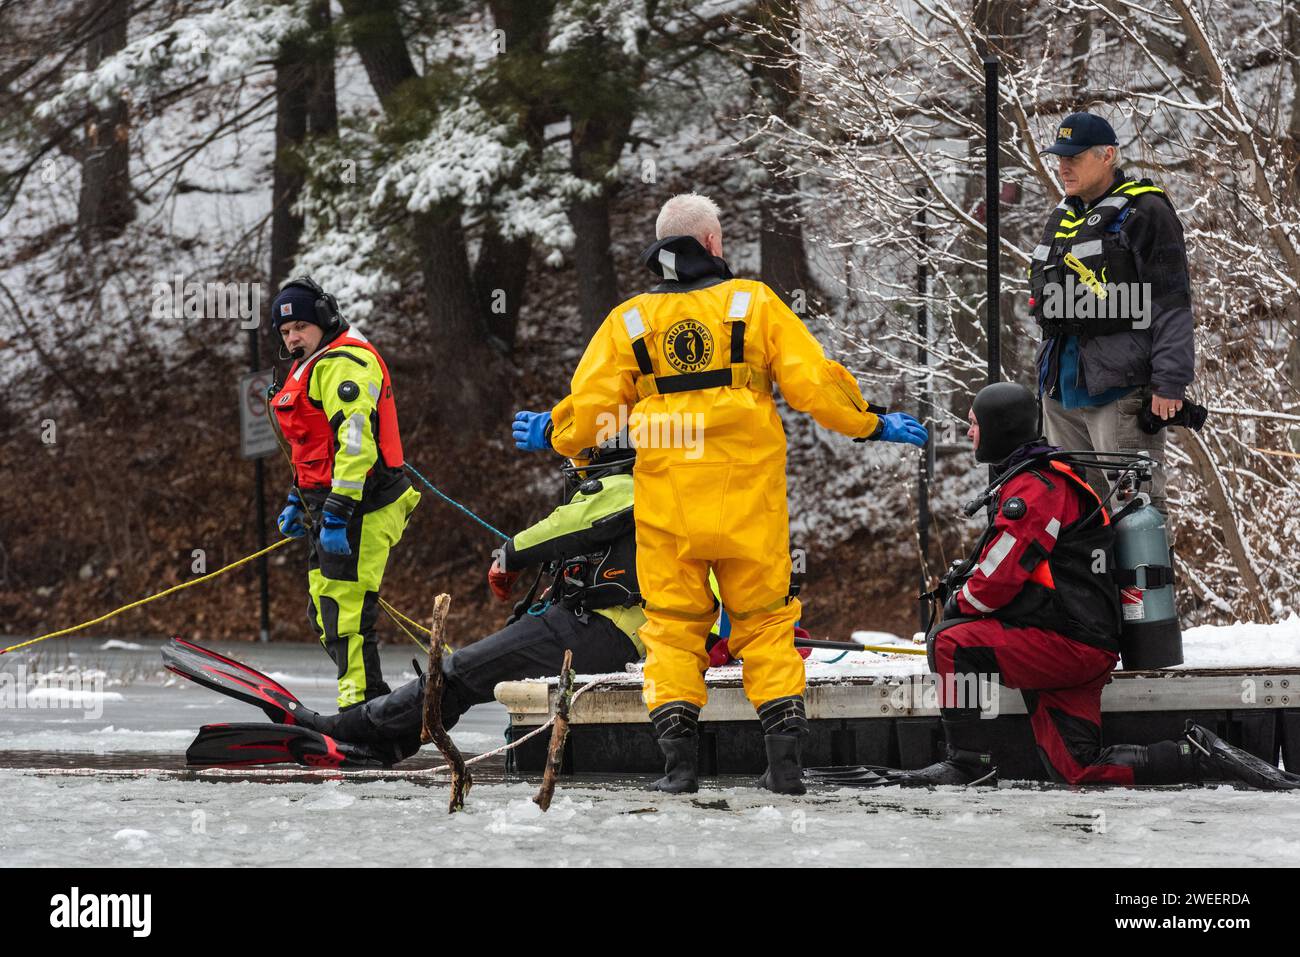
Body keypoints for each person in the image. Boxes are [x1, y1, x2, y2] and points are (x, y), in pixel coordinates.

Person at [511, 192, 928, 795]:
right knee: (765, 625)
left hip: (668, 510)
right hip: (747, 503)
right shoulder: (751, 303)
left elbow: (593, 415)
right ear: (711, 243)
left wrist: (557, 432)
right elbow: (813, 384)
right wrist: (870, 422)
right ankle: (784, 769)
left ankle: (679, 772)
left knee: (673, 630)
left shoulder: (629, 321)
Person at [884, 382, 1298, 790]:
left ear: (1000, 428)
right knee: (1077, 769)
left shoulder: (1034, 488)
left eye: (974, 424)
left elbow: (1000, 576)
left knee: (949, 642)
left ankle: (969, 765)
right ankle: (1197, 757)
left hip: (1065, 645)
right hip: (1083, 642)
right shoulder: (1044, 477)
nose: (970, 432)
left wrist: (960, 600)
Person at [268, 276, 421, 711]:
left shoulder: (343, 363)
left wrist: (337, 510)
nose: (293, 337)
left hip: (363, 506)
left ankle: (361, 707)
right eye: (285, 332)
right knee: (324, 611)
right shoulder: (314, 364)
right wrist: (300, 498)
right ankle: (369, 701)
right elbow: (314, 445)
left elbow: (356, 445)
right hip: (331, 507)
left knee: (345, 611)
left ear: (323, 319)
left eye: (300, 326)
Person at [1031, 112, 1195, 514]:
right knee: (1073, 514)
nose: (1063, 166)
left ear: (1108, 155)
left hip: (1118, 392)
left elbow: (1172, 302)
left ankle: (1143, 581)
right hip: (1060, 392)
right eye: (1059, 157)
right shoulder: (1064, 216)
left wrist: (1169, 383)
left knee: (1134, 513)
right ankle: (1091, 582)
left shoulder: (1146, 211)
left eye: (1075, 156)